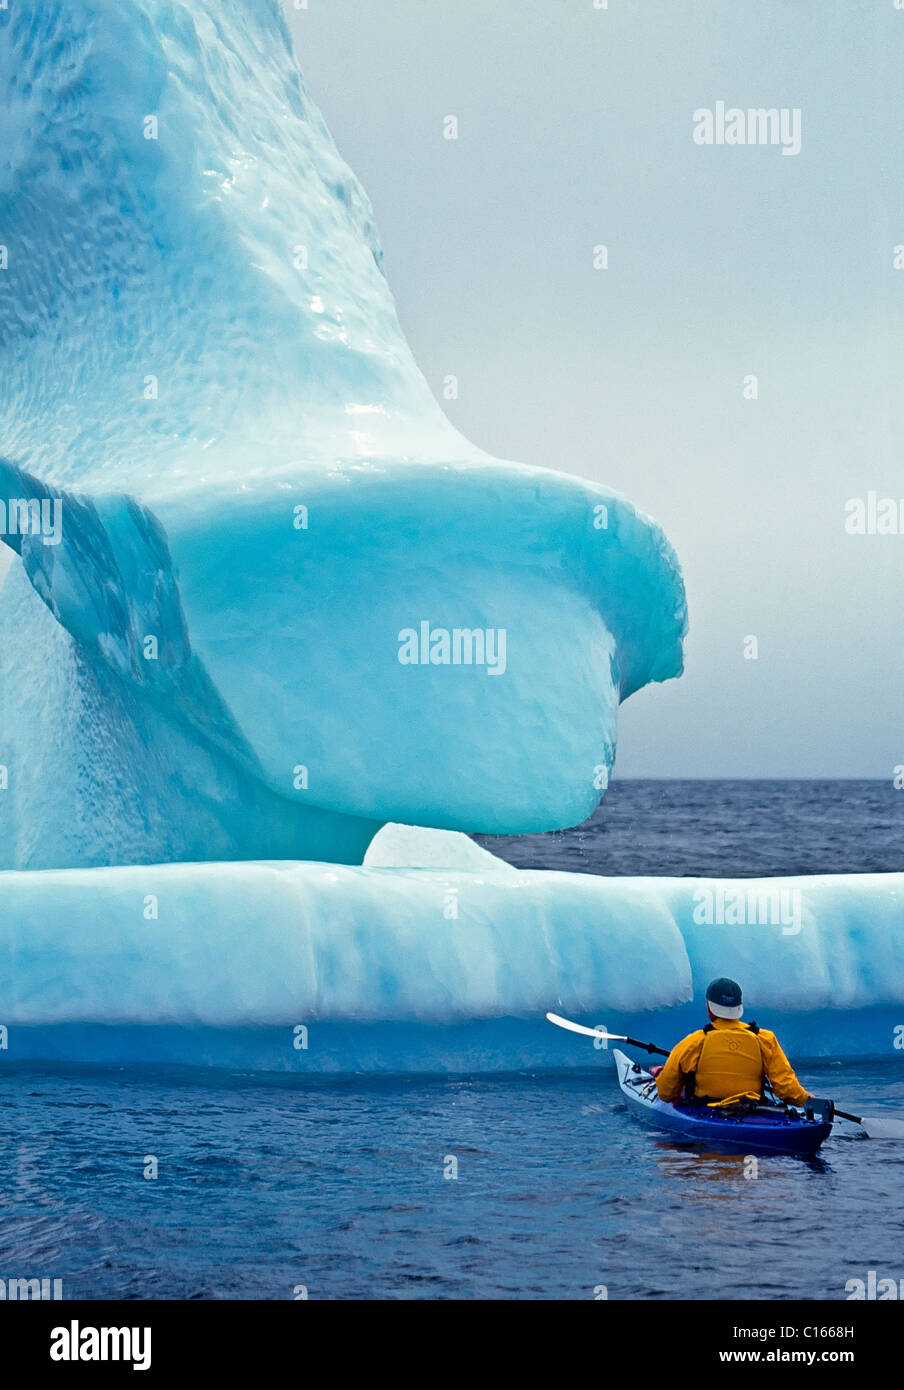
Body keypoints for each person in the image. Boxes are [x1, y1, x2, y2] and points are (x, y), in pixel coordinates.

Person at [650, 977, 812, 1108]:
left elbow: (666, 1093)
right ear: (739, 1006)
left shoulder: (694, 1042)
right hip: (753, 1110)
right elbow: (787, 1090)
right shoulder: (765, 1038)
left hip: (706, 1113)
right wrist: (806, 1099)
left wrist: (660, 1076)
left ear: (709, 1006)